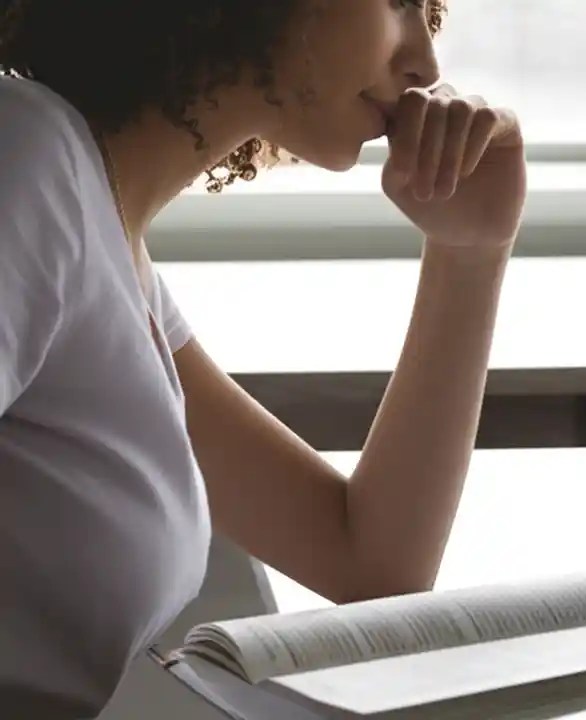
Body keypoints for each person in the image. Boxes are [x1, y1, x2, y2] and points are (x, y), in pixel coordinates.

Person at [0, 1, 527, 715]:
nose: (425, 67)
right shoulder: (26, 157)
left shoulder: (103, 230)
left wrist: (471, 251)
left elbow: (370, 568)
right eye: (399, 3)